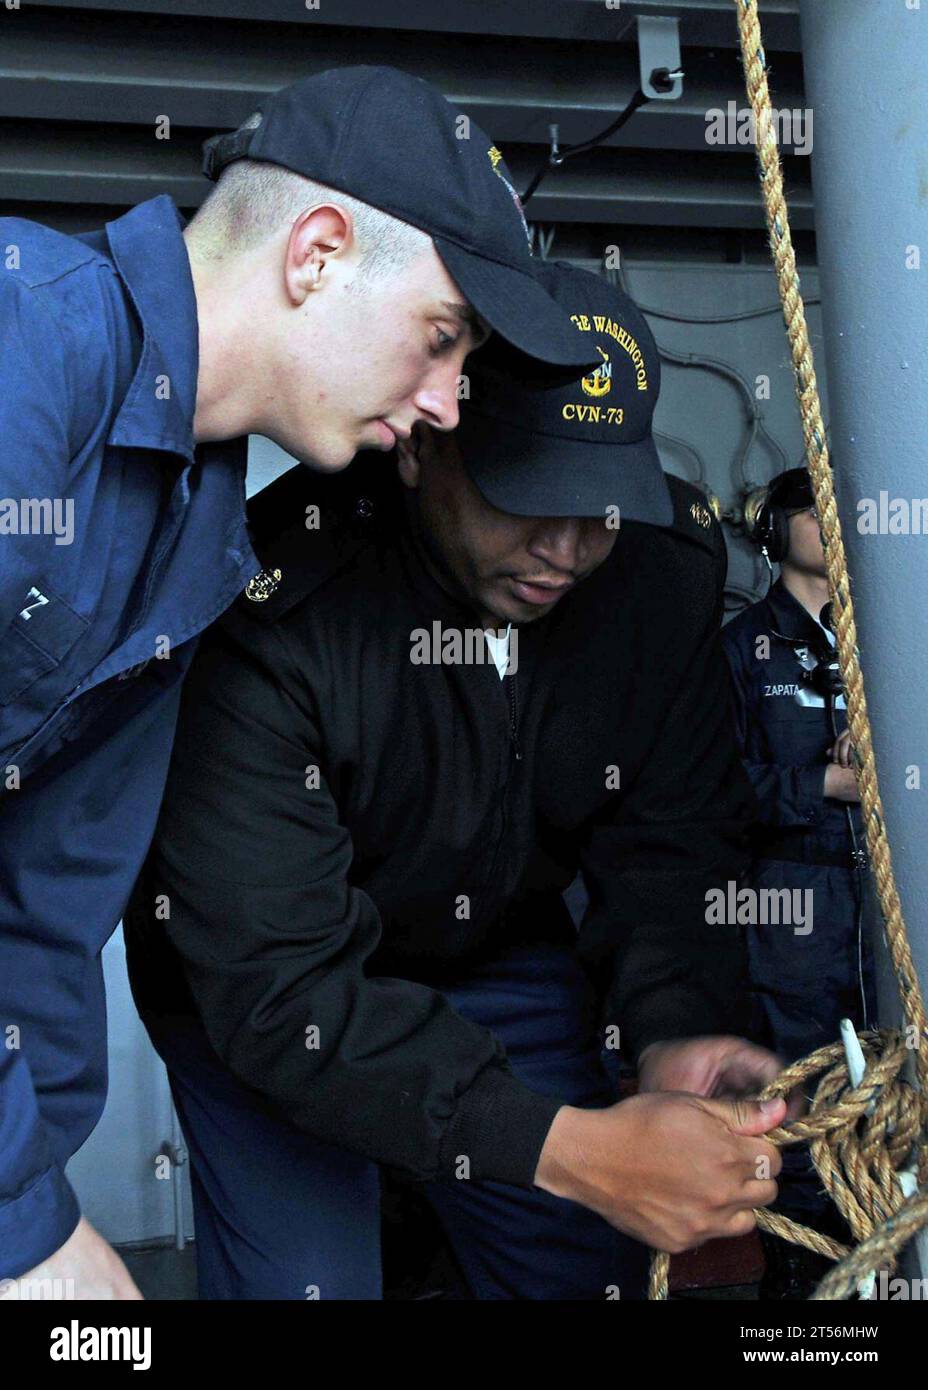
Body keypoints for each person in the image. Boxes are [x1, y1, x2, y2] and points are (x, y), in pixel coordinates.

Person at [0, 65, 594, 1298]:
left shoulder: (199, 531)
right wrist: (18, 1217)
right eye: (441, 339)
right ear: (317, 253)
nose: (444, 407)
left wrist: (37, 1200)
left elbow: (46, 896)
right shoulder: (25, 353)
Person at [125, 262, 788, 1301]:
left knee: (589, 1267)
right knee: (312, 1286)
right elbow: (275, 984)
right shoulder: (269, 605)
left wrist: (670, 1032)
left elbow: (673, 846)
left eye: (600, 507)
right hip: (269, 995)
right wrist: (567, 1146)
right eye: (526, 499)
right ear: (421, 442)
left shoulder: (653, 582)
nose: (566, 549)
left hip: (495, 961)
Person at [723, 466, 878, 1298]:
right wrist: (822, 786)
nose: (834, 522)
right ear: (773, 528)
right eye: (813, 509)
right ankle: (803, 1292)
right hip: (792, 906)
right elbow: (711, 788)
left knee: (883, 1085)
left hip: (881, 909)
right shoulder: (742, 647)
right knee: (805, 1092)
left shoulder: (881, 635)